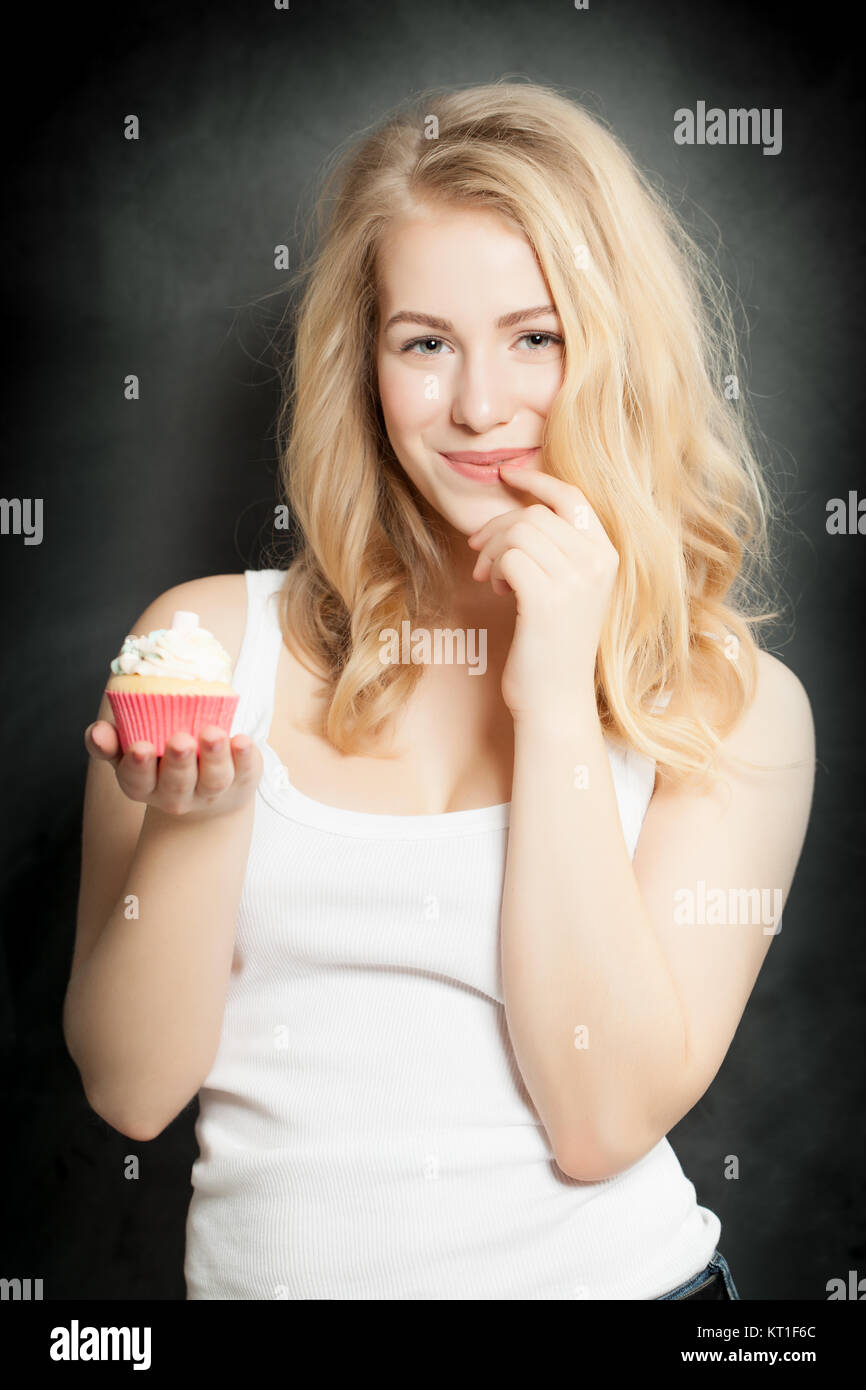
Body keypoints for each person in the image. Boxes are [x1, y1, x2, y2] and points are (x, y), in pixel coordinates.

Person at [64, 80, 815, 1300]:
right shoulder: (205, 645)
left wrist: (558, 694)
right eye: (425, 342)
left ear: (615, 352)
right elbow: (131, 1094)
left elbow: (600, 1117)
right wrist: (195, 824)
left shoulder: (733, 707)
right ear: (362, 365)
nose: (478, 407)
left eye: (537, 336)